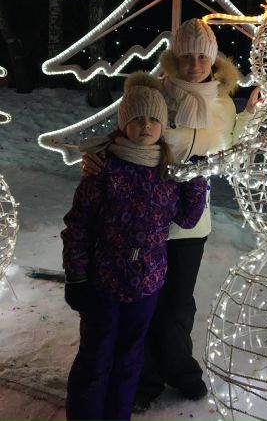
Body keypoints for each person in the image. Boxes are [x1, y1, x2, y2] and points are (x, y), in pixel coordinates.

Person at [82, 18, 260, 410]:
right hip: (145, 219)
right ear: (175, 57)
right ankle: (144, 382)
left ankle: (180, 371)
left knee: (178, 305)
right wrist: (96, 157)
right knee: (145, 303)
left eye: (202, 56)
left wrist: (248, 116)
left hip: (193, 221)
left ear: (213, 60)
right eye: (187, 55)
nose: (194, 64)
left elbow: (231, 150)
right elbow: (131, 132)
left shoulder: (223, 103)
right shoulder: (158, 93)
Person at [62, 72, 208, 421]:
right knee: (96, 356)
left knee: (130, 357)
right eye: (137, 118)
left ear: (163, 125)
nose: (146, 125)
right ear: (123, 122)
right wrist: (76, 275)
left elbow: (187, 219)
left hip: (146, 284)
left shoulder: (168, 173)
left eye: (154, 119)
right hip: (103, 282)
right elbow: (79, 225)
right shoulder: (103, 169)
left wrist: (196, 179)